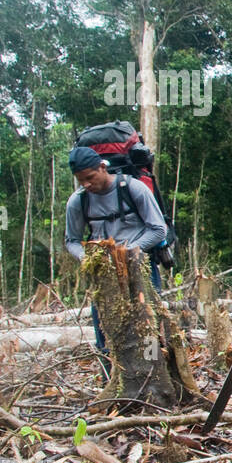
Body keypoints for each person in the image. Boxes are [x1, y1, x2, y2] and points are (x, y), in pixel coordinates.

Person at [63, 145, 167, 370]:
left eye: (90, 178)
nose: (87, 185)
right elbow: (71, 240)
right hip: (105, 277)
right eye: (81, 181)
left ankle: (155, 379)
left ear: (103, 167)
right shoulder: (78, 201)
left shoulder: (134, 189)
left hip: (141, 270)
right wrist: (86, 258)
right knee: (105, 331)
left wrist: (127, 253)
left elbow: (159, 229)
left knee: (149, 326)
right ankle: (112, 381)